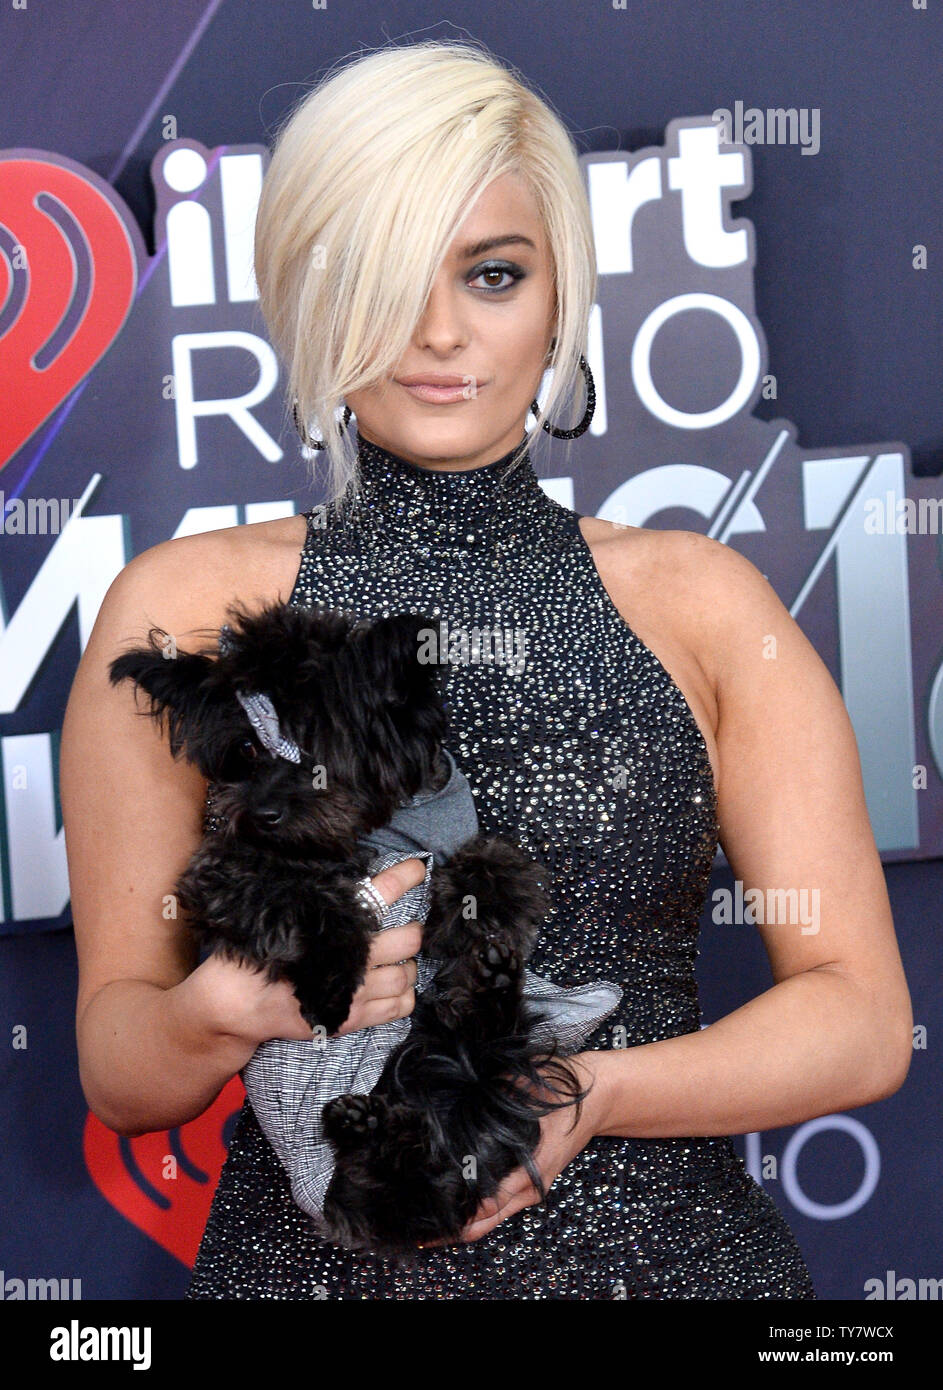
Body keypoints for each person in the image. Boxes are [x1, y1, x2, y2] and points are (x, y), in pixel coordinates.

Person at [62, 38, 913, 1300]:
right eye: (385, 275)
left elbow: (856, 1014)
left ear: (560, 291)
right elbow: (119, 1066)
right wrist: (225, 1009)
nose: (439, 332)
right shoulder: (183, 610)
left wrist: (592, 1090)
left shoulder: (702, 604)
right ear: (309, 285)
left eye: (493, 273)